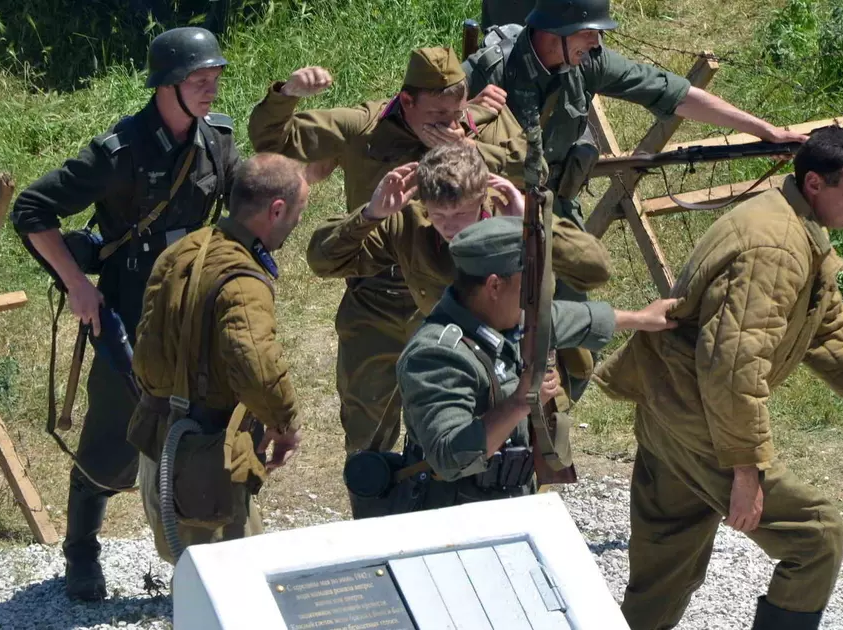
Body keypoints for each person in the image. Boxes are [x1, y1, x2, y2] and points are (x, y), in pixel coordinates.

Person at [591, 127, 843, 630]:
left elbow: (832, 333)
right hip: (699, 416)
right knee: (815, 539)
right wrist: (746, 469)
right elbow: (733, 365)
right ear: (815, 184)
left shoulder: (789, 222)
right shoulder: (777, 248)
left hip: (668, 405)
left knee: (666, 564)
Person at [9, 26, 239, 600]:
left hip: (192, 309)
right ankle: (81, 551)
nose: (211, 89)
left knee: (204, 434)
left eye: (215, 78)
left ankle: (202, 562)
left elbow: (246, 209)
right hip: (129, 310)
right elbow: (32, 209)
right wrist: (78, 287)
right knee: (114, 439)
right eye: (198, 79)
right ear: (166, 85)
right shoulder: (120, 152)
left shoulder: (218, 143)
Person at [248, 48, 529, 491]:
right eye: (435, 114)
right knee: (367, 426)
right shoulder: (366, 126)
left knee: (458, 420)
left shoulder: (484, 124)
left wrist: (471, 151)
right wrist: (286, 95)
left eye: (455, 112)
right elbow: (273, 143)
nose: (446, 124)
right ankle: (374, 508)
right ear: (407, 101)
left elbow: (532, 169)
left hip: (457, 294)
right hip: (379, 289)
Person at [394, 216, 676, 510]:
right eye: (530, 284)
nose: (539, 295)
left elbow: (571, 317)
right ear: (494, 286)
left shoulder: (511, 319)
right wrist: (520, 403)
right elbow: (448, 456)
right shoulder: (436, 356)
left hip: (511, 500)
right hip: (452, 512)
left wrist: (642, 319)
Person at [463, 0, 808, 228]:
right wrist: (465, 119)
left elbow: (673, 92)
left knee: (575, 310)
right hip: (493, 213)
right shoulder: (492, 69)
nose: (597, 43)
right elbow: (417, 114)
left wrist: (765, 131)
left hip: (556, 209)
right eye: (589, 33)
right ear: (556, 31)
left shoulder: (589, 63)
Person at [127, 153, 307, 563]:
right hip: (203, 459)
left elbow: (147, 346)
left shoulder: (185, 250)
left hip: (162, 448)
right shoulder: (242, 281)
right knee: (235, 589)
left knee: (196, 583)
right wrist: (284, 424)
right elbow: (258, 369)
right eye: (299, 211)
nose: (299, 221)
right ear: (276, 210)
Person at [307, 141, 611, 333]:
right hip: (453, 358)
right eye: (439, 215)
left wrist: (530, 227)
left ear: (483, 199)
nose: (450, 227)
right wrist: (370, 215)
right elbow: (324, 262)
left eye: (462, 214)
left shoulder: (512, 215)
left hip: (523, 358)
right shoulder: (410, 225)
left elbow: (596, 270)